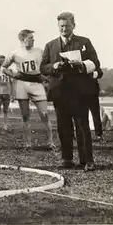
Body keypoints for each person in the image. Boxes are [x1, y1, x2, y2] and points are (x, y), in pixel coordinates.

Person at [41, 12, 101, 172]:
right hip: (60, 92)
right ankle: (67, 159)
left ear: (74, 25)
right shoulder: (50, 45)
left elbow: (95, 63)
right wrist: (53, 67)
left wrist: (81, 65)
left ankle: (87, 160)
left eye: (67, 25)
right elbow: (43, 67)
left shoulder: (84, 42)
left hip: (79, 92)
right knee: (63, 126)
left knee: (82, 126)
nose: (64, 28)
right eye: (61, 26)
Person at [2, 29, 55, 150]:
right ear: (22, 40)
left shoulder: (40, 51)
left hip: (37, 83)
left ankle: (50, 142)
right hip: (22, 84)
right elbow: (4, 67)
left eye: (33, 38)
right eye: (30, 38)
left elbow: (48, 65)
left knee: (44, 114)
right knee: (25, 115)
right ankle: (28, 143)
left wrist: (46, 76)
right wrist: (13, 75)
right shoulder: (15, 53)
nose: (33, 40)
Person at [0, 55, 15, 132]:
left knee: (6, 110)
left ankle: (5, 125)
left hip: (7, 92)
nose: (2, 62)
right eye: (1, 61)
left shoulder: (9, 70)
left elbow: (12, 83)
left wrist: (13, 94)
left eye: (4, 60)